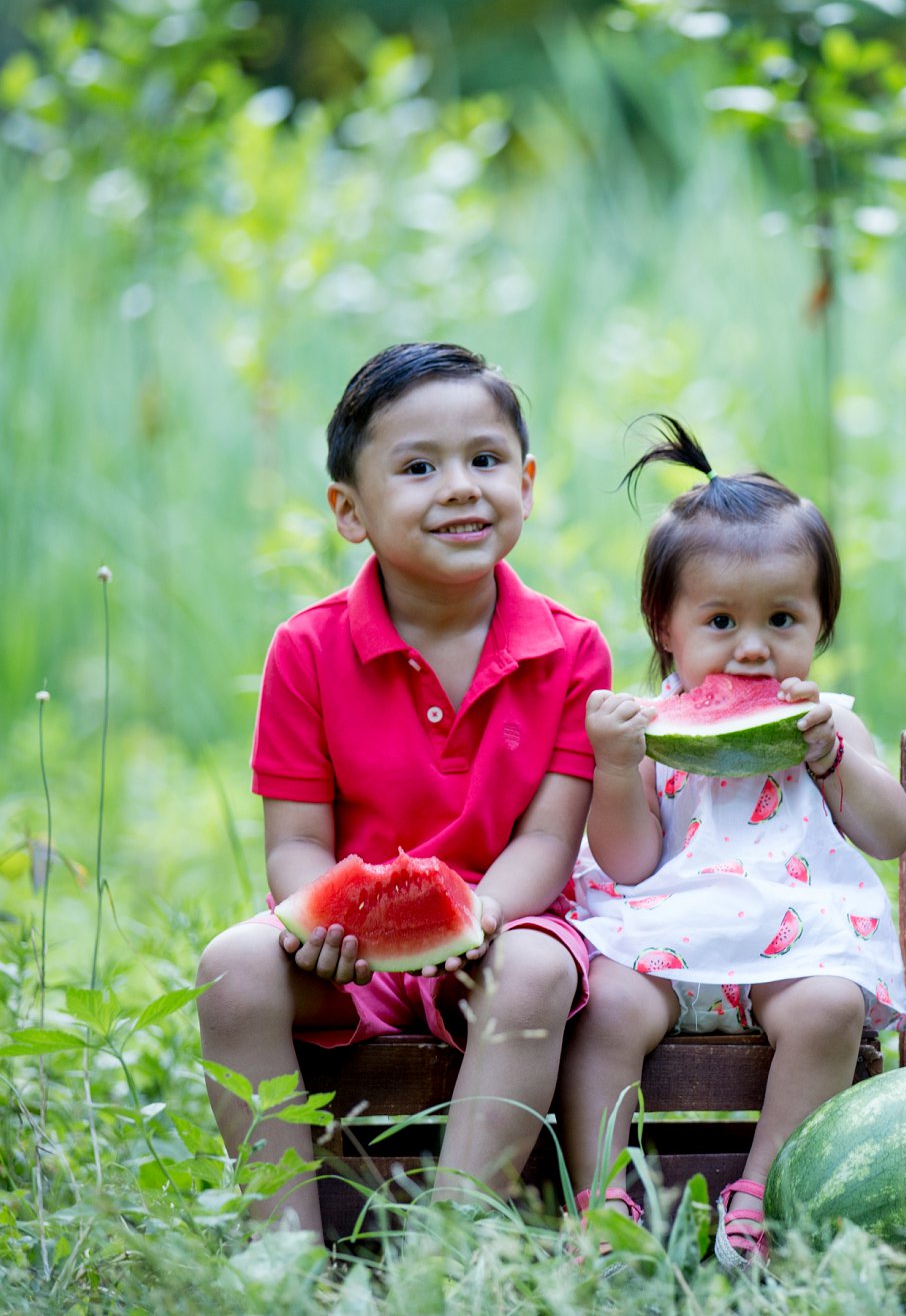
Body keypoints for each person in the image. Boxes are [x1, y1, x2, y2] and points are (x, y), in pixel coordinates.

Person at [194, 342, 611, 1231]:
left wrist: (487, 914)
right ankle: (285, 1256)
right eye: (419, 466)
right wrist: (323, 915)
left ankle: (453, 1245)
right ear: (350, 510)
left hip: (509, 930)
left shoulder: (573, 651)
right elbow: (297, 841)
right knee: (231, 968)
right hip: (351, 957)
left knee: (536, 969)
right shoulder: (305, 650)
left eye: (486, 460)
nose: (460, 486)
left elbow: (547, 838)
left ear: (527, 483)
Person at [559, 417, 906, 1268]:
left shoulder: (832, 725)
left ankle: (760, 1194)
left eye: (783, 619)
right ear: (664, 627)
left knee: (831, 1008)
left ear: (821, 623)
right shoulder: (648, 730)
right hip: (664, 946)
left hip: (790, 951)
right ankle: (602, 1199)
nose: (753, 647)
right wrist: (614, 768)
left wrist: (833, 762)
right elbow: (629, 861)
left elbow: (892, 833)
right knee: (603, 1006)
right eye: (721, 620)